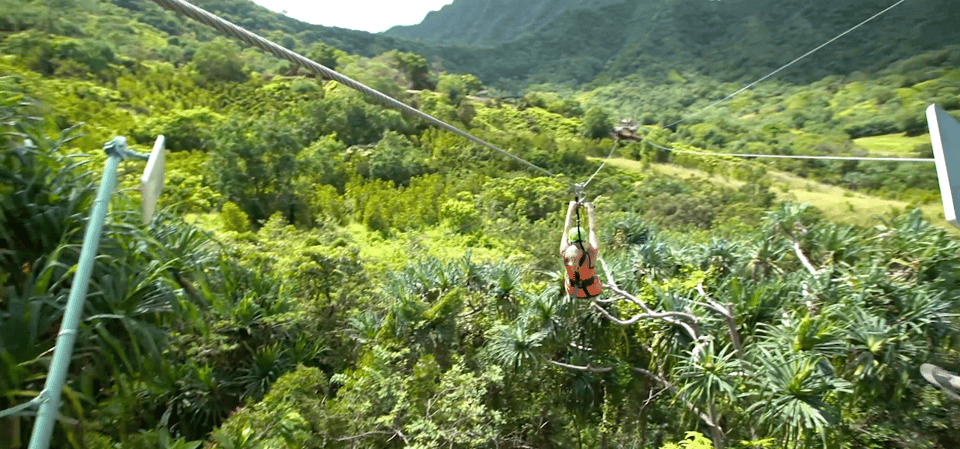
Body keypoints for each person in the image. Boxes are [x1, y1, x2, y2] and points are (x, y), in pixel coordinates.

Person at [560, 201, 602, 298]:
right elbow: (592, 230)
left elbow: (566, 229)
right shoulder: (592, 253)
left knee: (568, 274)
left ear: (570, 241)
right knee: (592, 273)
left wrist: (571, 209)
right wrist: (590, 209)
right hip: (594, 290)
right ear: (584, 241)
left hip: (572, 291)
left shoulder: (564, 251)